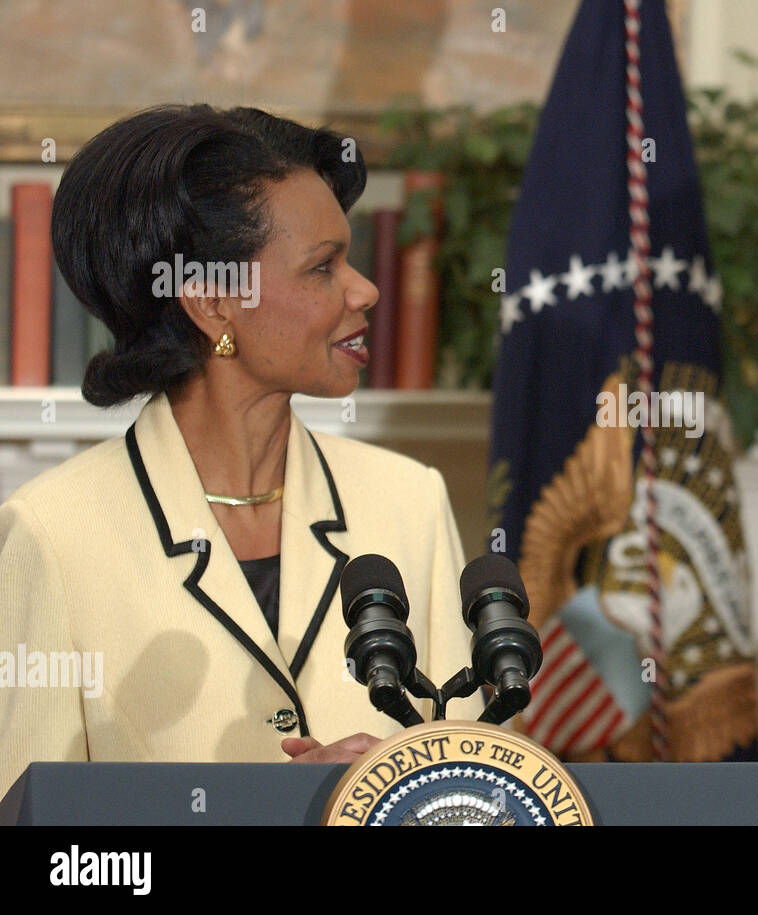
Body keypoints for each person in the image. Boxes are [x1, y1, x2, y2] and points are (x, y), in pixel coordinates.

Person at [0, 105, 481, 796]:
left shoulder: (410, 500)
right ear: (213, 303)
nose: (366, 289)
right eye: (323, 267)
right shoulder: (51, 534)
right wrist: (262, 807)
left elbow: (482, 791)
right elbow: (41, 831)